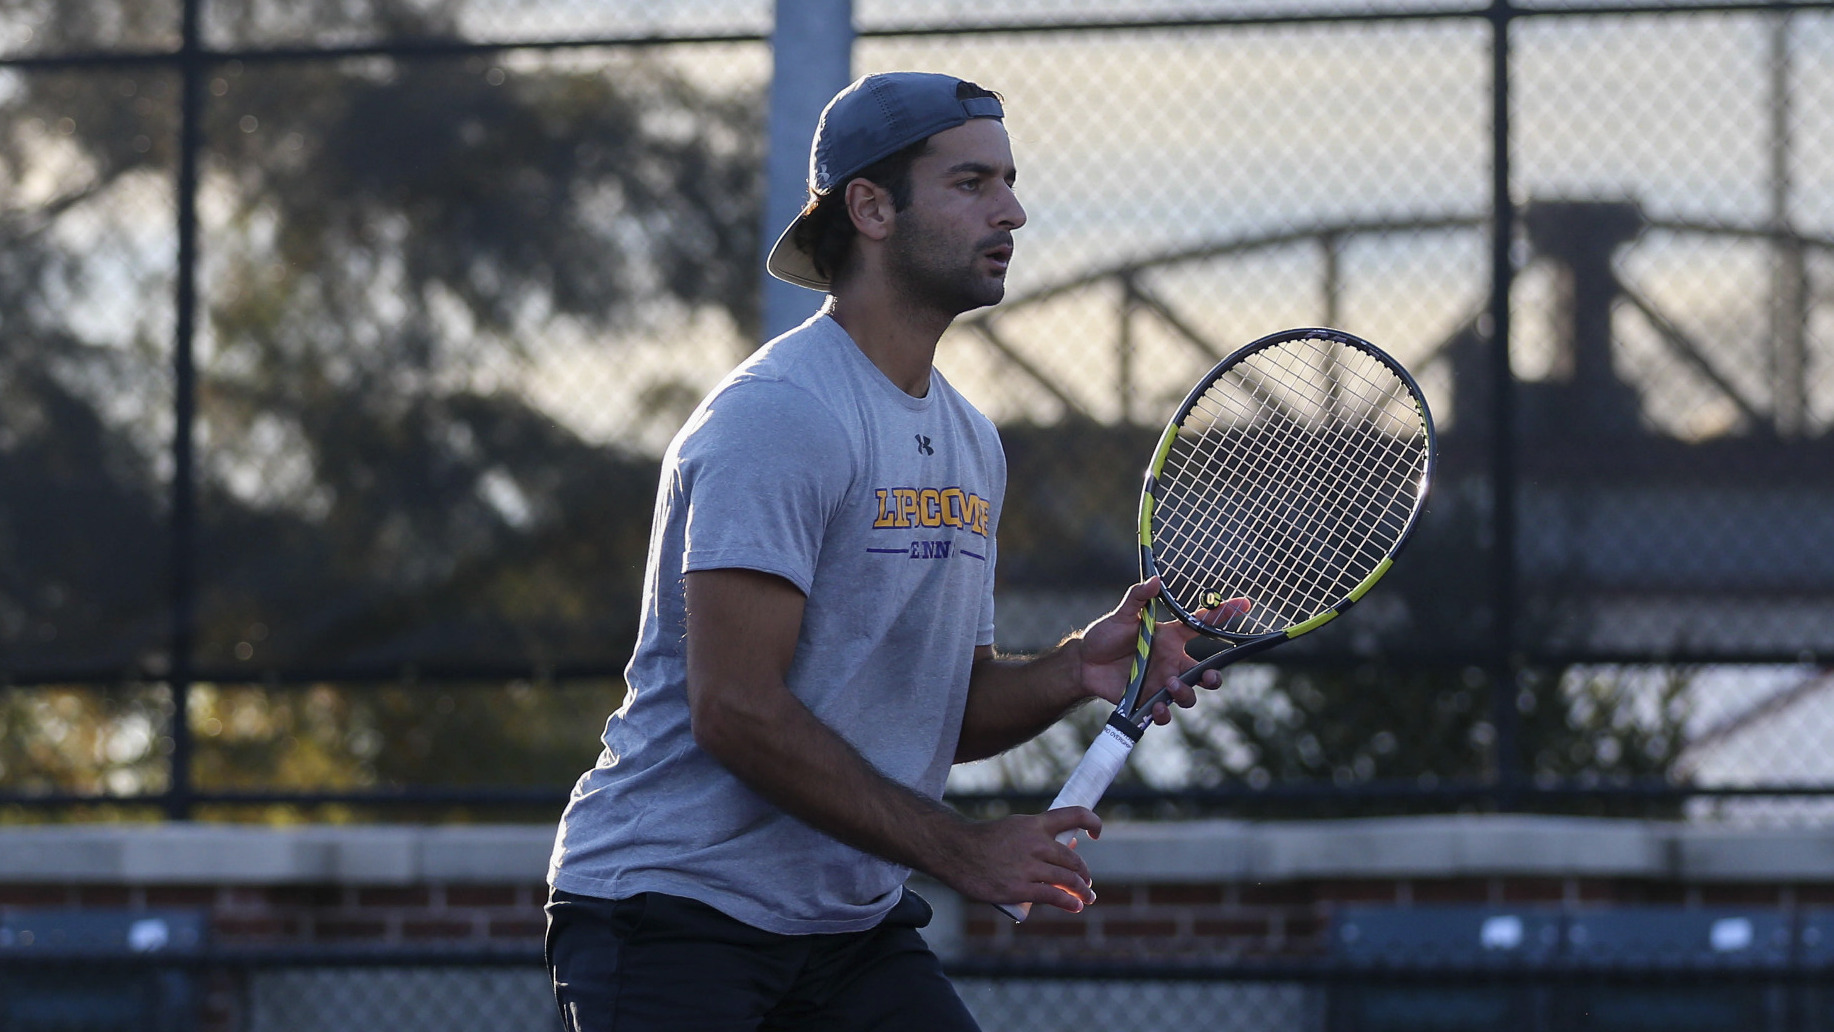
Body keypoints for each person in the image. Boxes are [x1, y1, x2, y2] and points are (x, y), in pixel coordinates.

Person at [545, 71, 1219, 1032]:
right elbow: (734, 708)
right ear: (870, 207)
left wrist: (1079, 667)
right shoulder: (780, 416)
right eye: (972, 183)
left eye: (1010, 181)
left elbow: (942, 706)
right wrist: (964, 850)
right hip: (673, 912)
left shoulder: (973, 442)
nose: (1014, 210)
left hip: (847, 931)